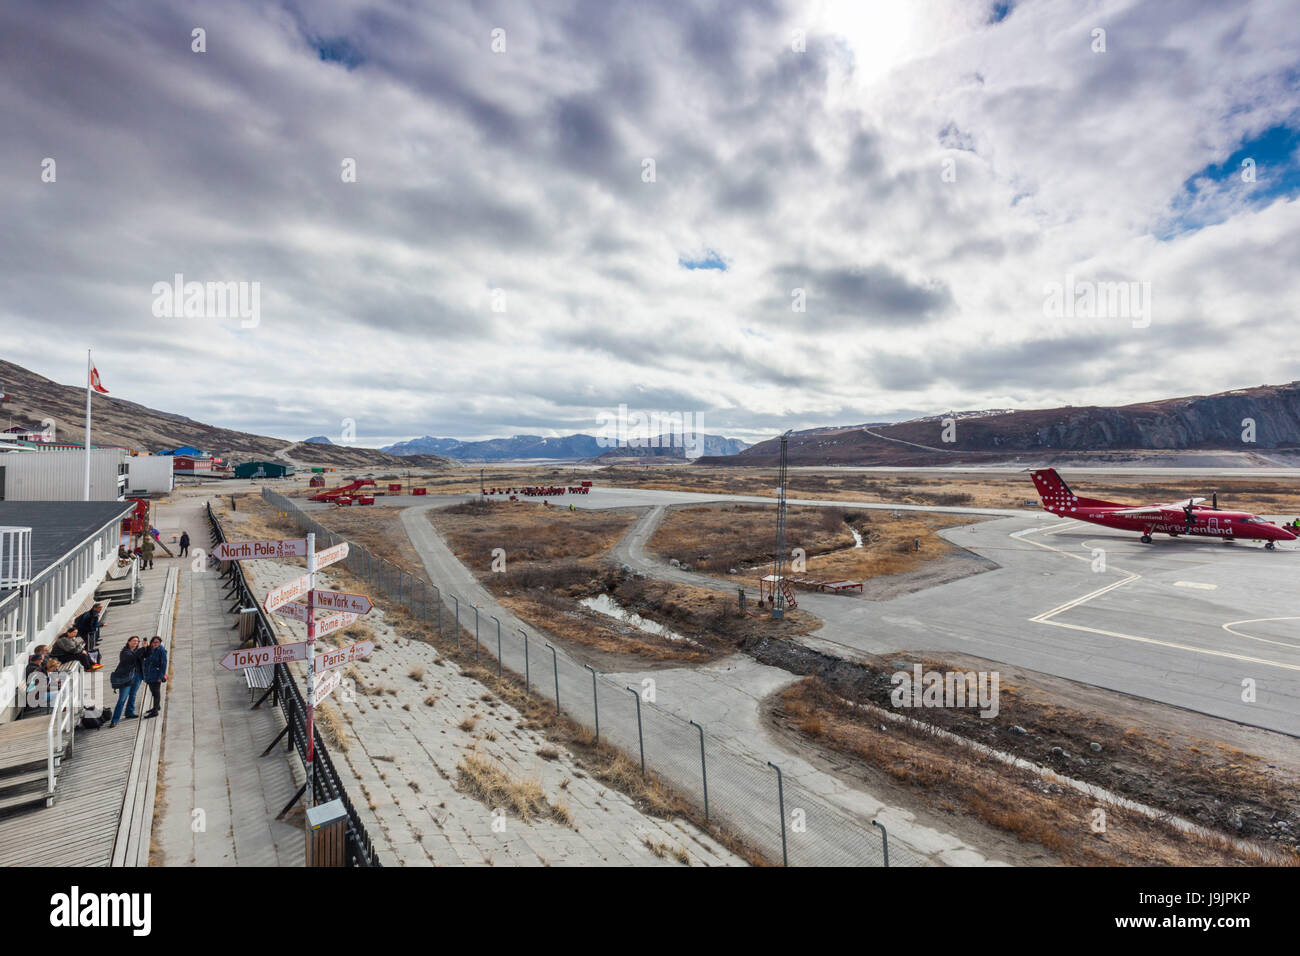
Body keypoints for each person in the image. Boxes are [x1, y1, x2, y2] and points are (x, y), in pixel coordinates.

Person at [109, 636, 145, 727]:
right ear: (128, 642)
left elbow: (148, 654)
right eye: (133, 641)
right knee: (122, 699)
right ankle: (115, 719)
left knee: (133, 695)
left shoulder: (138, 651)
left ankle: (129, 712)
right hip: (126, 678)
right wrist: (143, 649)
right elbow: (132, 658)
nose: (135, 643)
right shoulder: (124, 652)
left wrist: (147, 647)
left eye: (137, 641)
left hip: (137, 676)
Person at [141, 636, 168, 718]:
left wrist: (161, 676)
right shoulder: (151, 649)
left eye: (157, 642)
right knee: (153, 691)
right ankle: (156, 706)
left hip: (156, 674)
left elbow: (163, 664)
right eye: (153, 642)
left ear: (160, 643)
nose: (155, 644)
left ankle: (155, 711)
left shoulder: (161, 650)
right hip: (149, 674)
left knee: (156, 692)